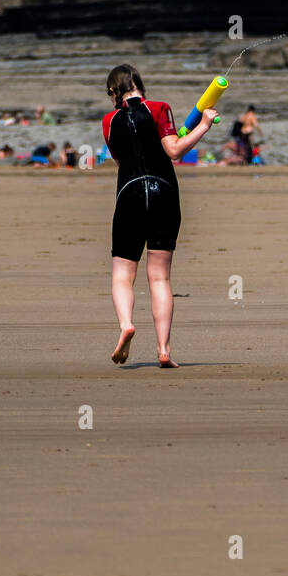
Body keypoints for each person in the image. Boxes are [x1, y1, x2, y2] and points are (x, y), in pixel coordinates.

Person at [102, 63, 216, 368]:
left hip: (129, 194)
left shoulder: (109, 121)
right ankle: (163, 350)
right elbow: (174, 151)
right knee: (160, 277)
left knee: (123, 275)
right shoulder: (160, 108)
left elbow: (120, 159)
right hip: (164, 192)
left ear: (114, 91)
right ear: (139, 84)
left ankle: (126, 324)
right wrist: (204, 124)